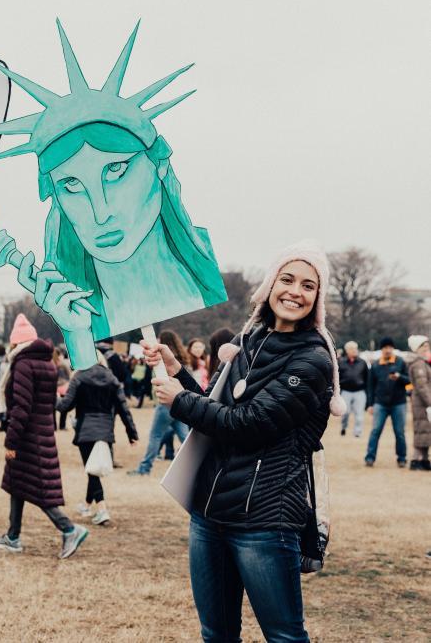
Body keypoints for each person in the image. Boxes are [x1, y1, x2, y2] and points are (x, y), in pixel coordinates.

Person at [0, 23, 226, 373]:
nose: (100, 211)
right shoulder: (76, 303)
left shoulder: (199, 274)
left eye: (115, 171)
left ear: (158, 164)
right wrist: (77, 334)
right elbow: (88, 389)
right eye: (71, 185)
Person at [146, 241, 344, 642]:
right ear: (270, 286)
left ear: (317, 298)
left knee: (284, 636)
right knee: (216, 633)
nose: (295, 291)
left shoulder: (313, 359)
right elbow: (217, 407)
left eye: (308, 286)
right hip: (209, 515)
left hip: (265, 521)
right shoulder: (247, 340)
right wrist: (177, 371)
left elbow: (248, 424)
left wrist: (178, 401)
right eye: (287, 279)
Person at [0, 314, 88, 559]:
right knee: (18, 483)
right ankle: (12, 536)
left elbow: (21, 407)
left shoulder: (23, 364)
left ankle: (69, 528)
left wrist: (11, 440)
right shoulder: (47, 363)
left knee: (39, 489)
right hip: (42, 430)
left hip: (27, 435)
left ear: (16, 343)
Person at [57, 351, 137, 526]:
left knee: (92, 471)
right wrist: (132, 433)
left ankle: (102, 510)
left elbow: (65, 406)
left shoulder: (79, 377)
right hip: (105, 430)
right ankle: (86, 505)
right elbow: (124, 408)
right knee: (92, 469)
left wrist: (52, 398)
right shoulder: (112, 378)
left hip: (86, 430)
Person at [129, 330, 191, 476]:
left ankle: (144, 468)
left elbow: (157, 382)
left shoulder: (161, 359)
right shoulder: (182, 358)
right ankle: (197, 462)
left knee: (155, 436)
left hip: (165, 403)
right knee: (186, 438)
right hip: (180, 402)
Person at [365, 337, 410, 468]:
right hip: (380, 403)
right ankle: (370, 458)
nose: (388, 350)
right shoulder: (375, 365)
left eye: (390, 347)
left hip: (399, 403)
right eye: (385, 347)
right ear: (381, 349)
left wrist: (399, 377)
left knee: (400, 432)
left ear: (393, 348)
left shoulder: (400, 362)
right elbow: (370, 387)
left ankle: (402, 458)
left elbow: (409, 380)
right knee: (375, 431)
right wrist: (370, 404)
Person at [406, 335, 431, 470]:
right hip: (422, 403)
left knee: (426, 431)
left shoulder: (423, 362)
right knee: (421, 431)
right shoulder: (419, 364)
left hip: (423, 402)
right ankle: (416, 460)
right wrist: (430, 403)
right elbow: (422, 386)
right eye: (424, 346)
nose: (427, 348)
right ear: (418, 349)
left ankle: (425, 460)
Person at [338, 340, 369, 437]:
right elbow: (336, 377)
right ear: (347, 351)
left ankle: (357, 433)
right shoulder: (341, 362)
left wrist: (367, 392)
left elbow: (367, 378)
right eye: (352, 349)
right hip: (345, 391)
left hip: (359, 392)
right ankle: (344, 427)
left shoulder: (362, 363)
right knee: (345, 413)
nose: (354, 350)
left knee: (359, 415)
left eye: (355, 348)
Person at [53, 347, 72, 430]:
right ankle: (62, 425)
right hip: (64, 387)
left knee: (52, 408)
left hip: (54, 387)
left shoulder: (51, 364)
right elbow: (69, 375)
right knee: (64, 407)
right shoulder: (63, 364)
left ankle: (53, 425)